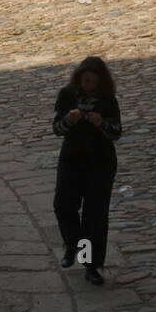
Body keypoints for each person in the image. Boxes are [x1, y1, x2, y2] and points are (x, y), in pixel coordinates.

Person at [52, 56, 122, 286]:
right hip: (72, 159)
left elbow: (116, 132)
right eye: (85, 80)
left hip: (100, 163)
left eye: (92, 82)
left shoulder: (107, 100)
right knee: (63, 205)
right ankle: (73, 244)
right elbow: (56, 128)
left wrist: (101, 123)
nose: (88, 84)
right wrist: (69, 121)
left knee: (95, 217)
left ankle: (91, 265)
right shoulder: (67, 95)